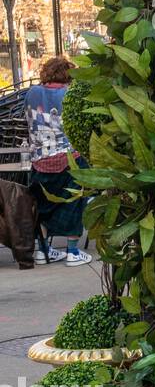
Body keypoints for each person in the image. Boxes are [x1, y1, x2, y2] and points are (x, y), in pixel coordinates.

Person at [24, 56, 91, 266]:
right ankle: (72, 252)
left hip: (39, 161)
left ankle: (43, 251)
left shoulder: (31, 93)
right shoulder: (69, 94)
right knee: (75, 201)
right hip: (68, 159)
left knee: (41, 205)